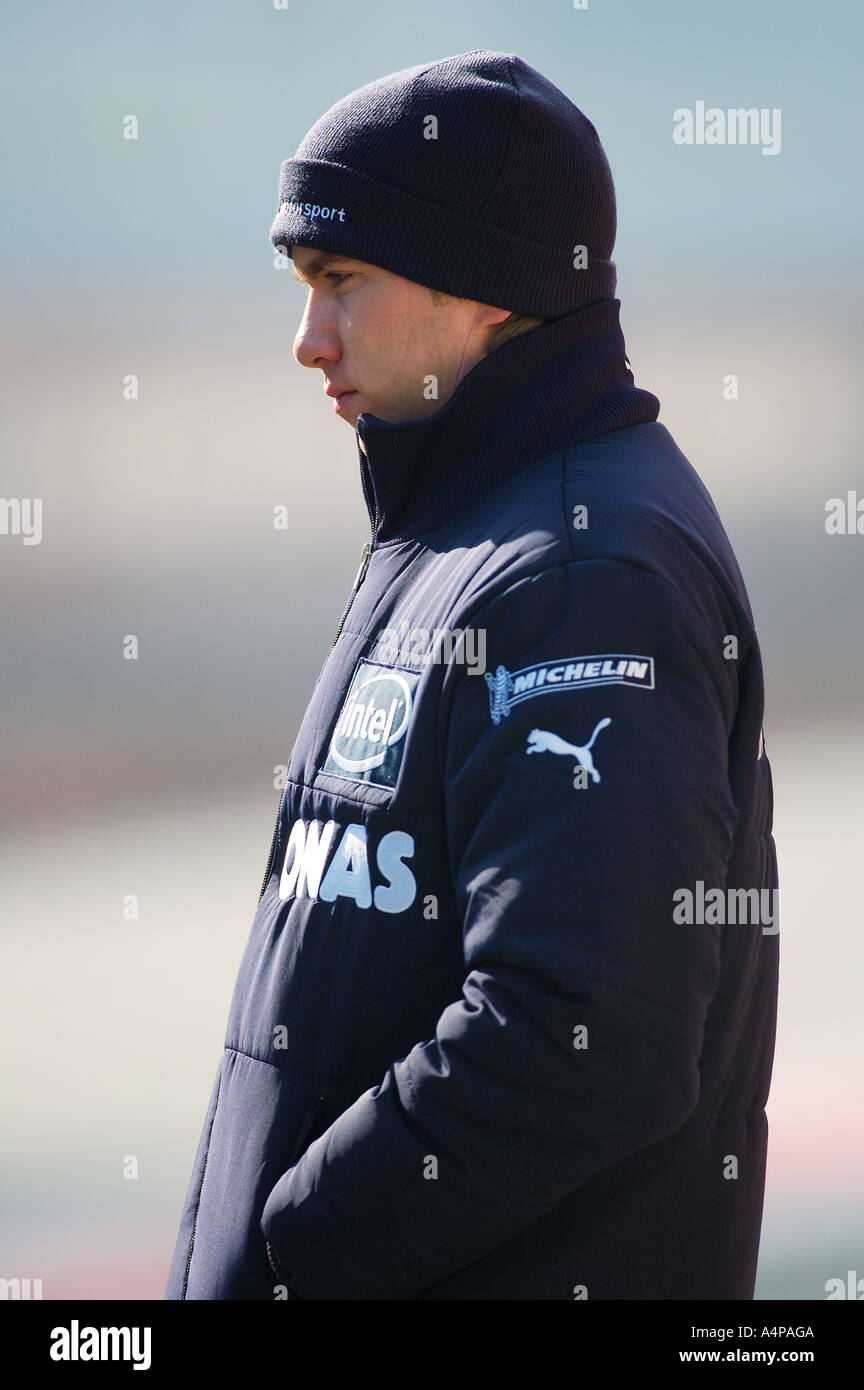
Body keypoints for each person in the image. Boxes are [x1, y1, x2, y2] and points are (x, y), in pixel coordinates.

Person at [165, 49, 779, 1301]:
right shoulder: (462, 532)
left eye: (339, 281)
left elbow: (582, 1037)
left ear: (487, 288)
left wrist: (299, 1257)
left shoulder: (577, 571)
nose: (306, 337)